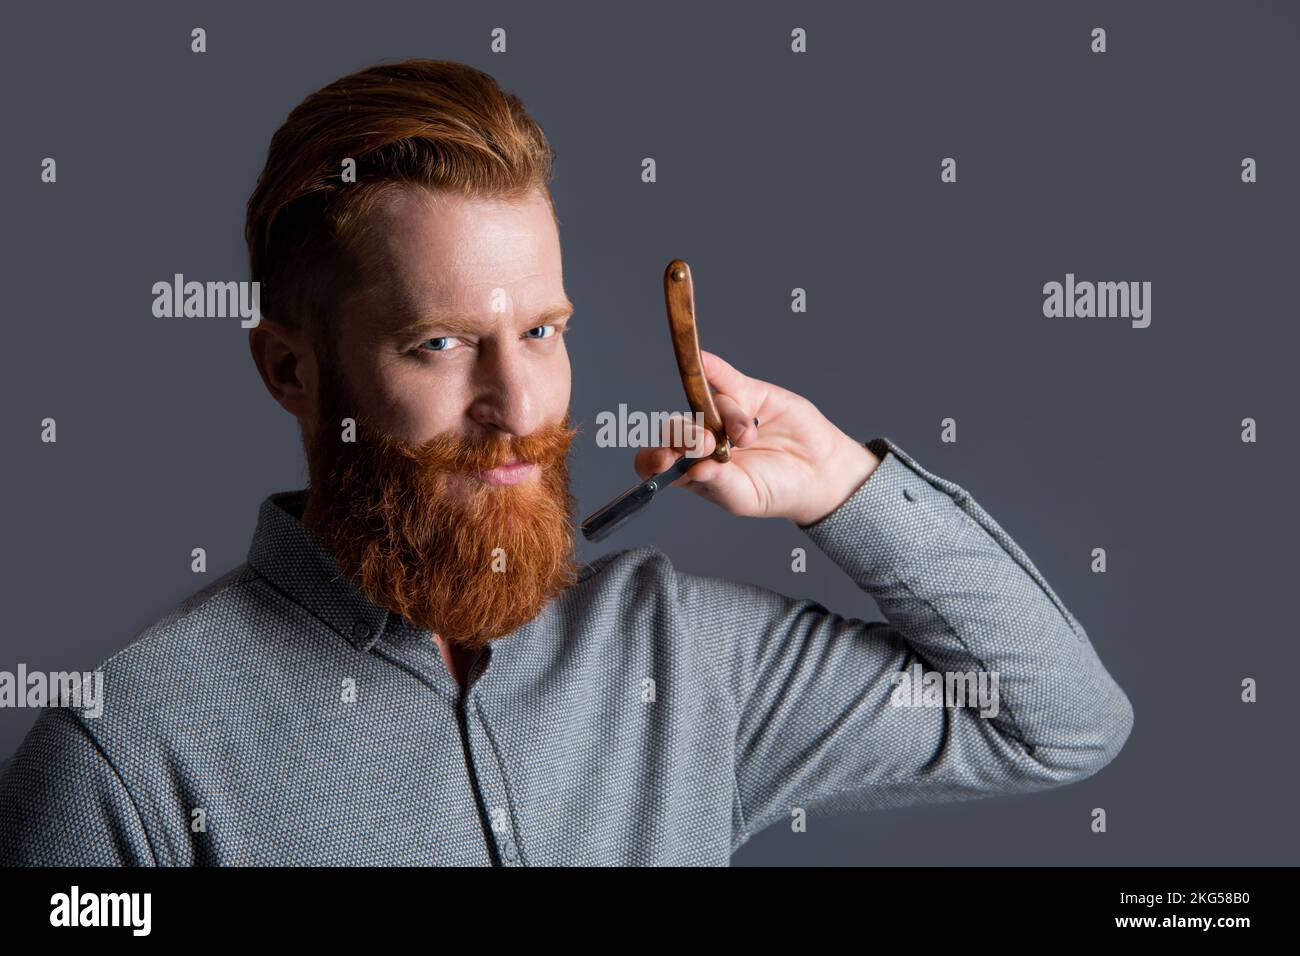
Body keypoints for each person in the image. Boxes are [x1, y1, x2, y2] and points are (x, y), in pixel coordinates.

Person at [0, 59, 1132, 866]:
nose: (521, 405)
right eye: (439, 343)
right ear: (290, 370)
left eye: (542, 331)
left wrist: (844, 487)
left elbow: (1057, 720)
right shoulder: (122, 755)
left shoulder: (680, 660)